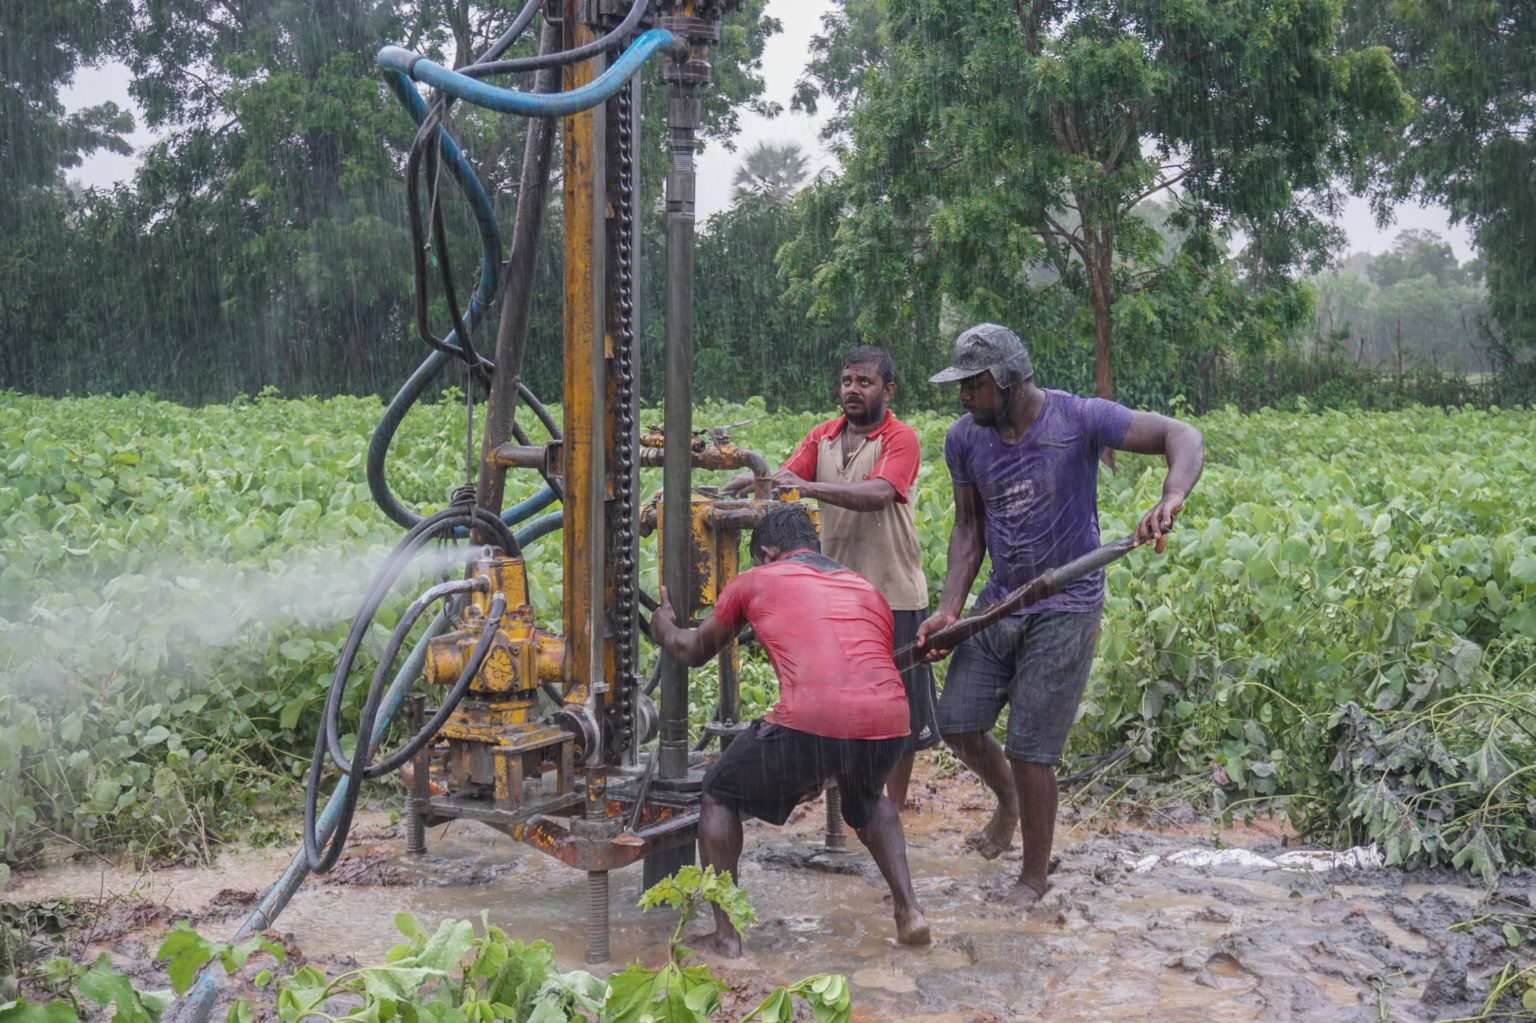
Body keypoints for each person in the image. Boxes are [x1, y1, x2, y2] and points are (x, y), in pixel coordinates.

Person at [916, 323, 1204, 906]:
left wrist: (1171, 497)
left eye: (972, 386)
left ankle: (1034, 877)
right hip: (1001, 597)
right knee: (958, 722)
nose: (963, 398)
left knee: (1031, 747)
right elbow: (969, 528)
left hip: (1066, 602)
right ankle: (1011, 801)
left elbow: (1182, 434)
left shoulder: (1078, 419)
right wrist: (951, 609)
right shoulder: (964, 440)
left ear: (1007, 381)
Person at [650, 503, 931, 957]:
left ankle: (727, 936)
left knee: (718, 792)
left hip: (814, 717)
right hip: (891, 720)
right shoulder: (865, 588)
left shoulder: (757, 579)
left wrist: (665, 628)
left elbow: (693, 649)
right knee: (868, 801)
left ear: (768, 552)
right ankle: (910, 912)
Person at [722, 346, 937, 811]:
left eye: (865, 382)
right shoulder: (822, 437)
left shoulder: (900, 439)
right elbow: (786, 477)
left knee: (900, 711)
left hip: (893, 593)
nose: (853, 390)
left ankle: (892, 809)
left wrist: (808, 489)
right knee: (843, 700)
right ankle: (854, 804)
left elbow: (879, 493)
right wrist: (755, 481)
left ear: (888, 389)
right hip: (839, 600)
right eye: (847, 381)